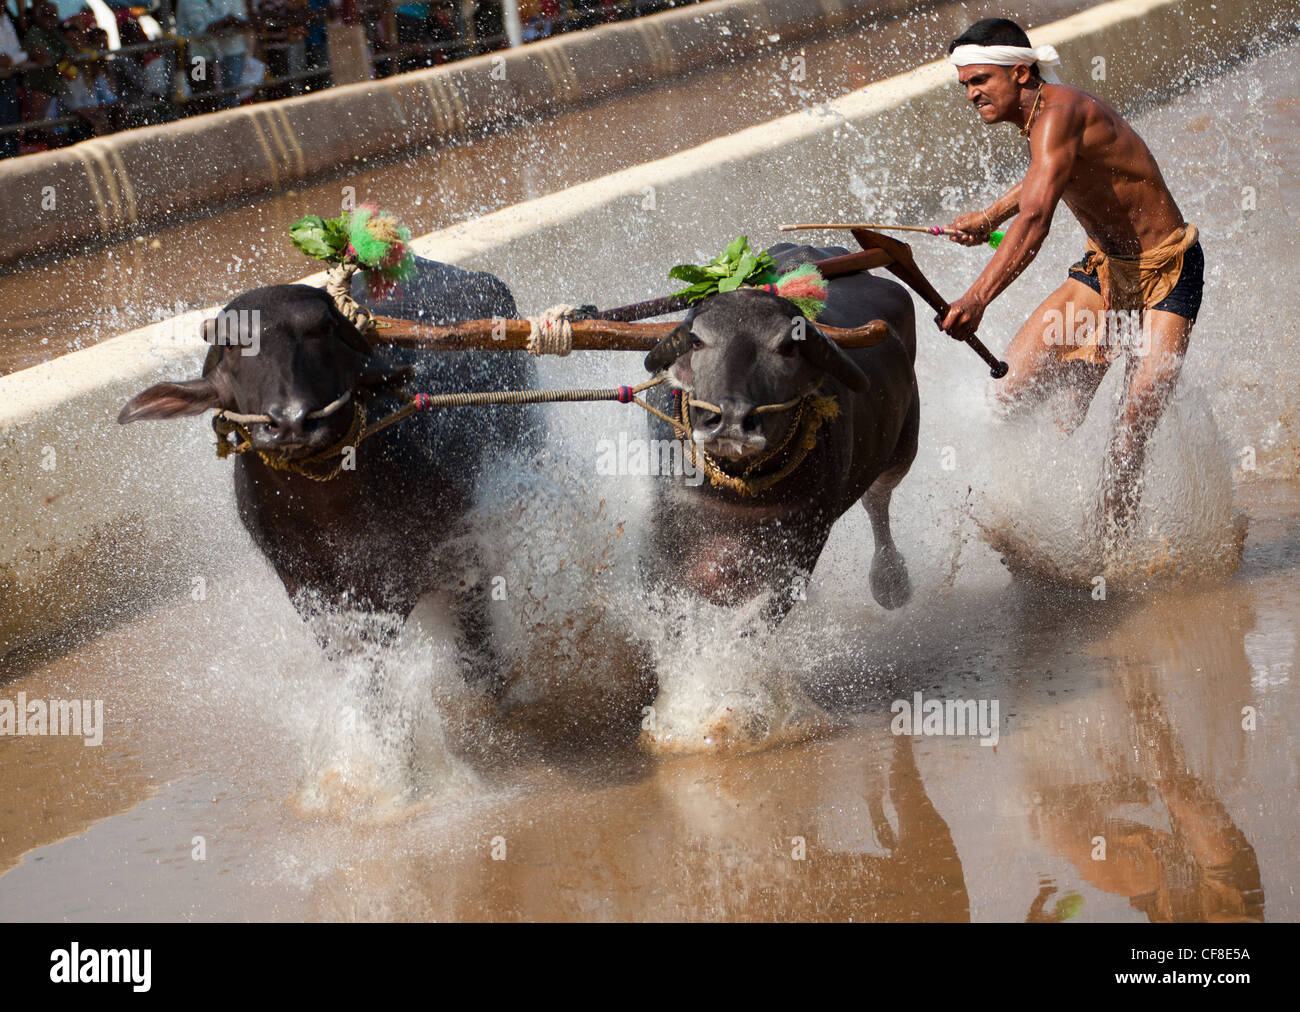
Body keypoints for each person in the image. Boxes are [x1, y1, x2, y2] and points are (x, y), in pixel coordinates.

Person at [937, 18, 1203, 544]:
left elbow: (1036, 219)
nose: (971, 94)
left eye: (980, 80)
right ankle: (1019, 515)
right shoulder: (1041, 118)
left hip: (1167, 275)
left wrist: (977, 298)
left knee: (1130, 432)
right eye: (965, 84)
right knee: (1008, 399)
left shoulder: (1059, 111)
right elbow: (1046, 173)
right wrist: (991, 216)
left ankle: (1106, 555)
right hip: (1104, 273)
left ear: (1019, 73)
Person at [176, 0, 251, 112]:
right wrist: (226, 21)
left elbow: (243, 21)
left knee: (221, 94)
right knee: (201, 94)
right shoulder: (188, 2)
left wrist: (231, 21)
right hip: (197, 56)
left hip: (215, 52)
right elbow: (199, 29)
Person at [1, 4, 29, 157]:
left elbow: (16, 53)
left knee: (11, 127)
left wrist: (13, 59)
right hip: (5, 79)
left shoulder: (6, 19)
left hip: (8, 80)